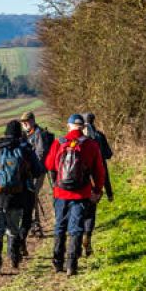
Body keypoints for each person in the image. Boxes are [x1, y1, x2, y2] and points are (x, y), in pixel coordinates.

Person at [44, 114, 107, 276]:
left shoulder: (59, 142)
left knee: (60, 225)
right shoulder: (91, 144)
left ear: (69, 126)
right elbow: (99, 171)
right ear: (83, 127)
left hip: (61, 192)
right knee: (76, 227)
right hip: (81, 193)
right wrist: (98, 189)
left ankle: (58, 261)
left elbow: (49, 164)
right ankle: (72, 264)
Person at [0, 120, 44, 274]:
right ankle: (14, 258)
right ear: (19, 133)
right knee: (13, 229)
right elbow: (38, 170)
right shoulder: (24, 149)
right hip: (16, 196)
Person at [80, 112, 114, 257]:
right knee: (91, 211)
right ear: (94, 121)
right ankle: (87, 237)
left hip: (79, 181)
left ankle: (78, 238)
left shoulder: (77, 138)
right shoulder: (99, 135)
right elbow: (108, 154)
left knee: (79, 211)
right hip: (96, 178)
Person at [19, 111, 54, 241]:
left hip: (37, 171)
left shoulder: (38, 134)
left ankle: (36, 225)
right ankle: (34, 224)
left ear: (33, 120)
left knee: (32, 196)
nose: (24, 124)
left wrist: (31, 168)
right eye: (23, 122)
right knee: (29, 197)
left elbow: (40, 153)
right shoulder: (25, 134)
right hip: (27, 172)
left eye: (26, 121)